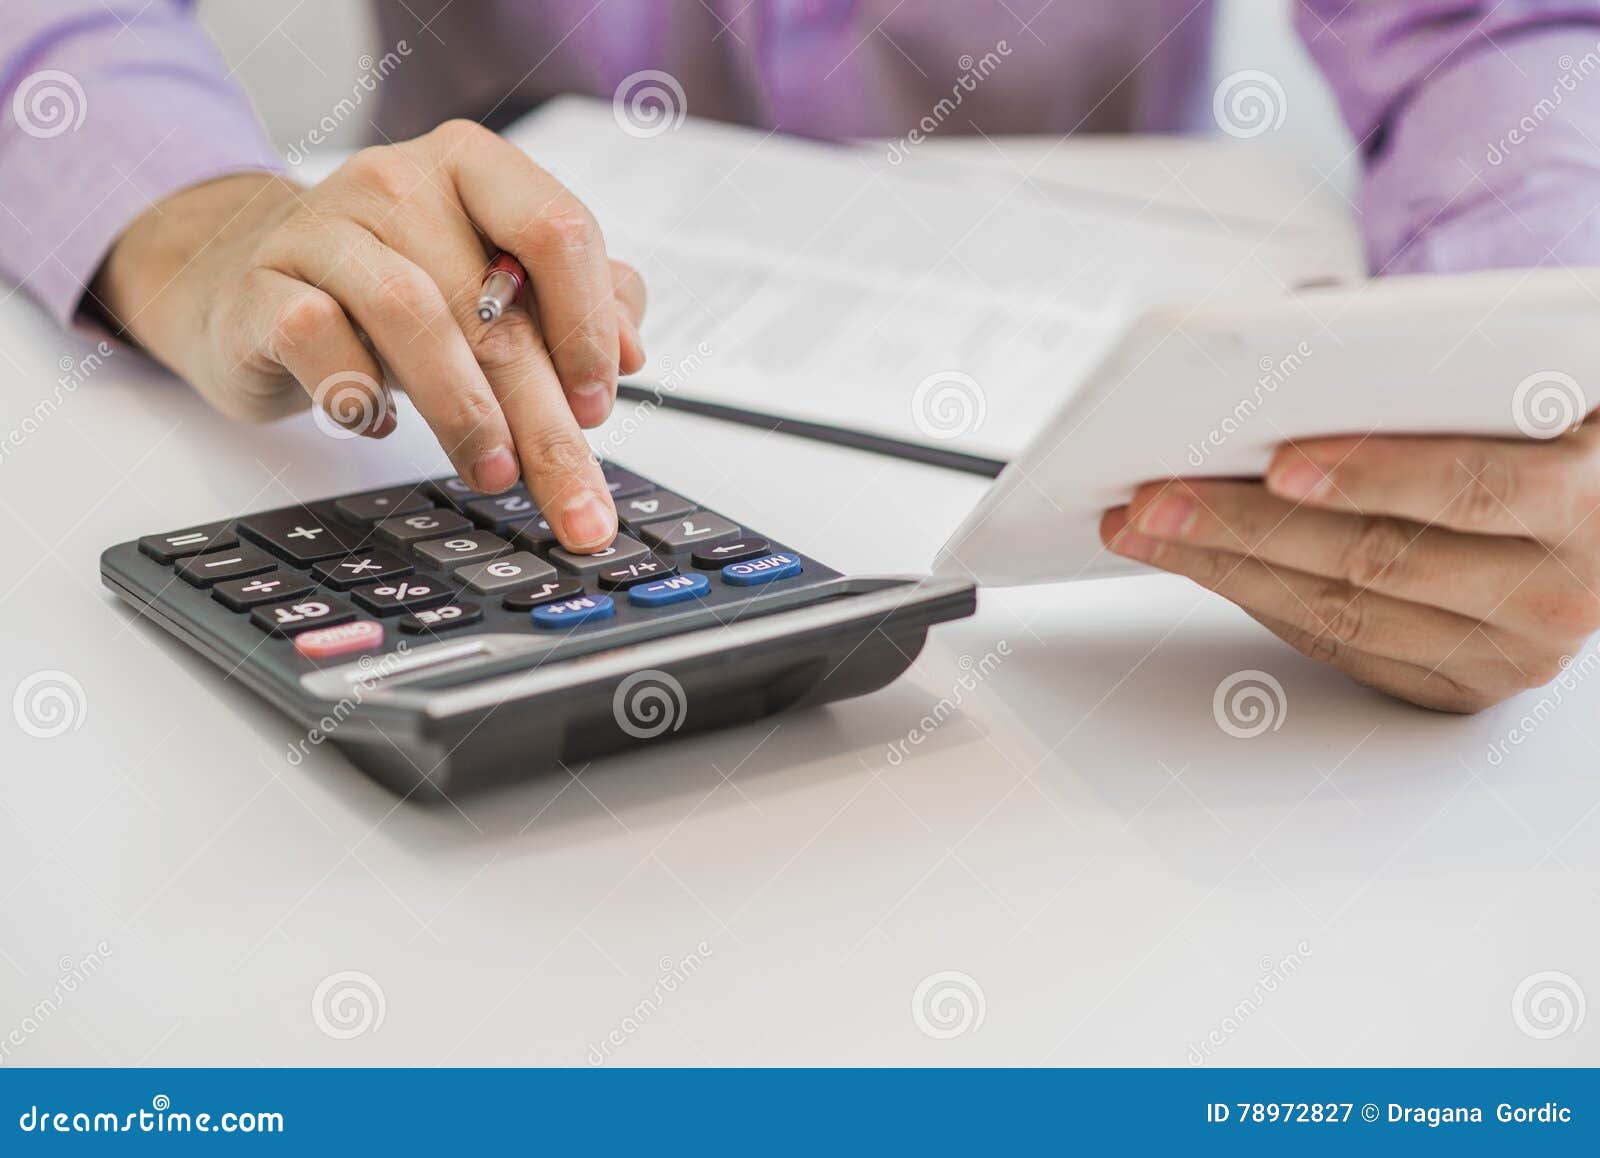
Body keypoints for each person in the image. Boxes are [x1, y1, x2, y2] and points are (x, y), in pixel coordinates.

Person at [3, 1, 1600, 713]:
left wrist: (1513, 378)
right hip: (438, 405)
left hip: (1102, 578)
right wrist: (195, 220)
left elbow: (1503, 31)